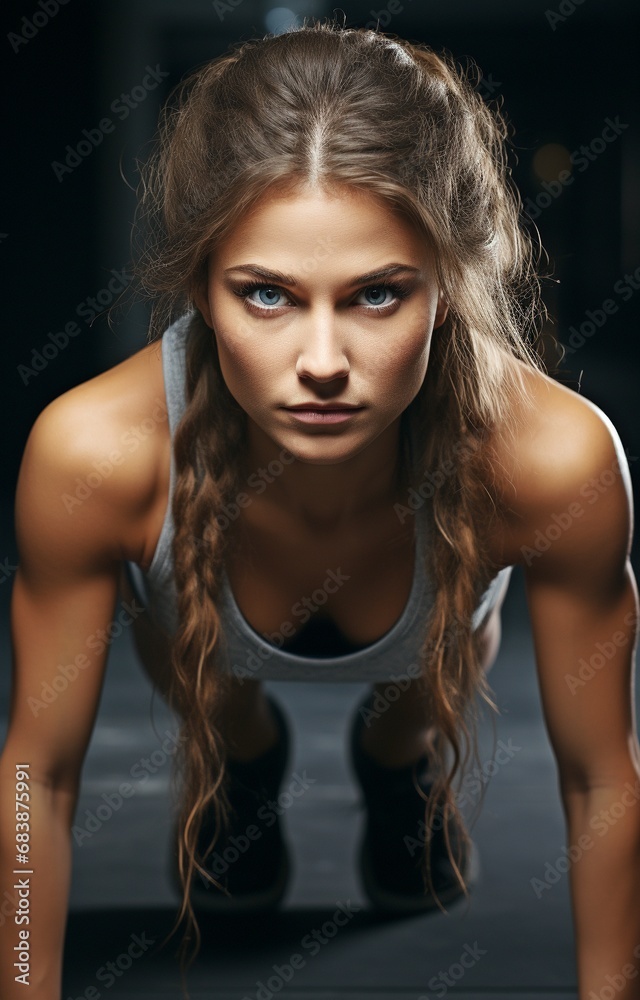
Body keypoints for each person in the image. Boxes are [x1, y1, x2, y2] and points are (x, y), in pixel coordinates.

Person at [1, 17, 639, 1000]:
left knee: (413, 708)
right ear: (201, 286)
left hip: (429, 642)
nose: (324, 362)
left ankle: (404, 762)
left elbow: (600, 779)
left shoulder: (551, 460)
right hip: (202, 642)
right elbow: (33, 777)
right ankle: (243, 760)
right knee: (205, 669)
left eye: (379, 295)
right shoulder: (96, 455)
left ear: (449, 284)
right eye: (266, 295)